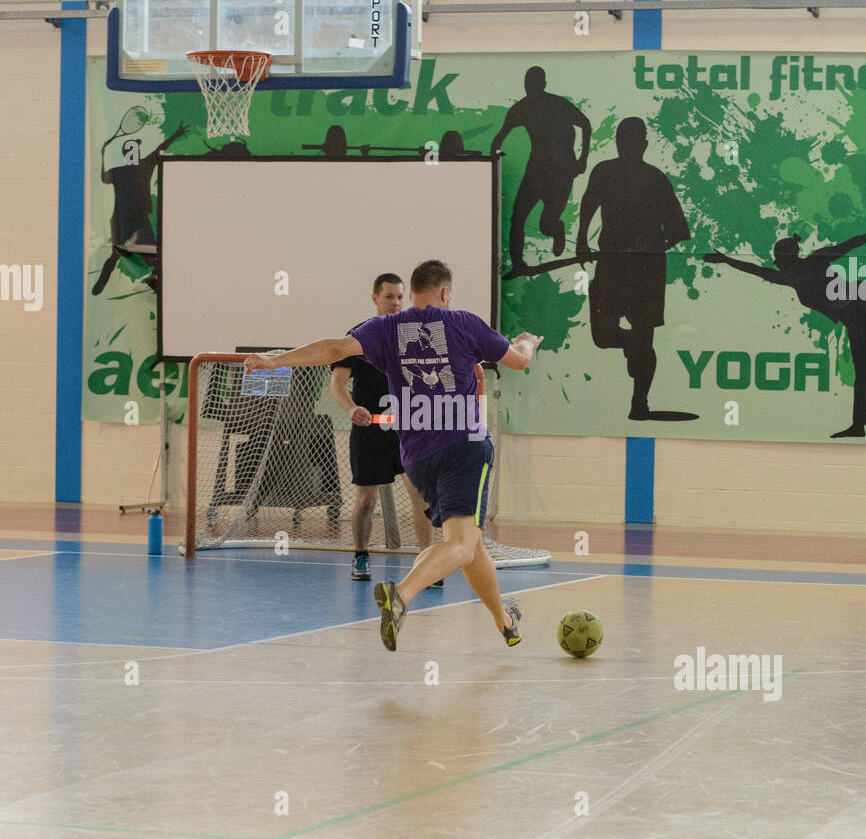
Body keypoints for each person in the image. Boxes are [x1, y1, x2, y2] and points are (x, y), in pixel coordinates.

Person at [244, 259, 543, 651]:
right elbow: (518, 361)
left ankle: (504, 622)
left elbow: (333, 348)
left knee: (470, 544)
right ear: (445, 293)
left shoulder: (385, 328)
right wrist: (527, 342)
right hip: (464, 448)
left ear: (412, 292)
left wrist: (275, 359)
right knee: (464, 545)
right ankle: (400, 597)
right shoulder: (464, 323)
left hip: (417, 458)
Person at [576, 116, 690, 420]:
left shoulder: (656, 179)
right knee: (603, 335)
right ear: (617, 142)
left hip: (647, 271)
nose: (628, 146)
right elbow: (589, 204)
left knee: (645, 336)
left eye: (633, 141)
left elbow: (679, 229)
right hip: (612, 264)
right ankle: (629, 342)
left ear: (644, 145)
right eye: (622, 140)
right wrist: (581, 241)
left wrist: (653, 245)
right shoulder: (604, 172)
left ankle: (640, 402)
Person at [705, 231, 866, 437]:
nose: (775, 262)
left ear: (787, 257)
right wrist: (726, 260)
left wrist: (727, 260)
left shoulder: (812, 263)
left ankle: (858, 424)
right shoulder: (791, 277)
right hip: (856, 320)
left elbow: (850, 242)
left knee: (862, 373)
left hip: (860, 312)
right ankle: (858, 424)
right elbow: (756, 270)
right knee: (861, 373)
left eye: (777, 257)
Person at [330, 272, 437, 580]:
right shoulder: (359, 336)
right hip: (370, 429)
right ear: (375, 299)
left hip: (408, 430)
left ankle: (427, 561)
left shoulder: (416, 335)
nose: (396, 303)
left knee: (418, 492)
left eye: (400, 297)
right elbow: (337, 382)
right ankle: (361, 556)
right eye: (389, 297)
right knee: (366, 499)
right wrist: (352, 409)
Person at [490, 65, 592, 272]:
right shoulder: (521, 108)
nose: (531, 90)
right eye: (528, 86)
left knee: (547, 225)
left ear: (543, 85)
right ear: (525, 86)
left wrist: (583, 159)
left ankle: (557, 229)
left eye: (535, 86)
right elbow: (500, 137)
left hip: (562, 172)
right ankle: (517, 264)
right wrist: (492, 160)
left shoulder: (558, 104)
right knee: (518, 216)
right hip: (536, 170)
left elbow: (586, 124)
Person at [93, 122, 188, 295]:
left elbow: (103, 178)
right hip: (135, 218)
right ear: (132, 153)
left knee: (119, 254)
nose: (134, 152)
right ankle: (149, 277)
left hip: (123, 218)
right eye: (134, 149)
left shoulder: (119, 170)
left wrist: (102, 153)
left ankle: (146, 278)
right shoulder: (143, 165)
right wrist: (176, 134)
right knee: (151, 255)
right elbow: (160, 149)